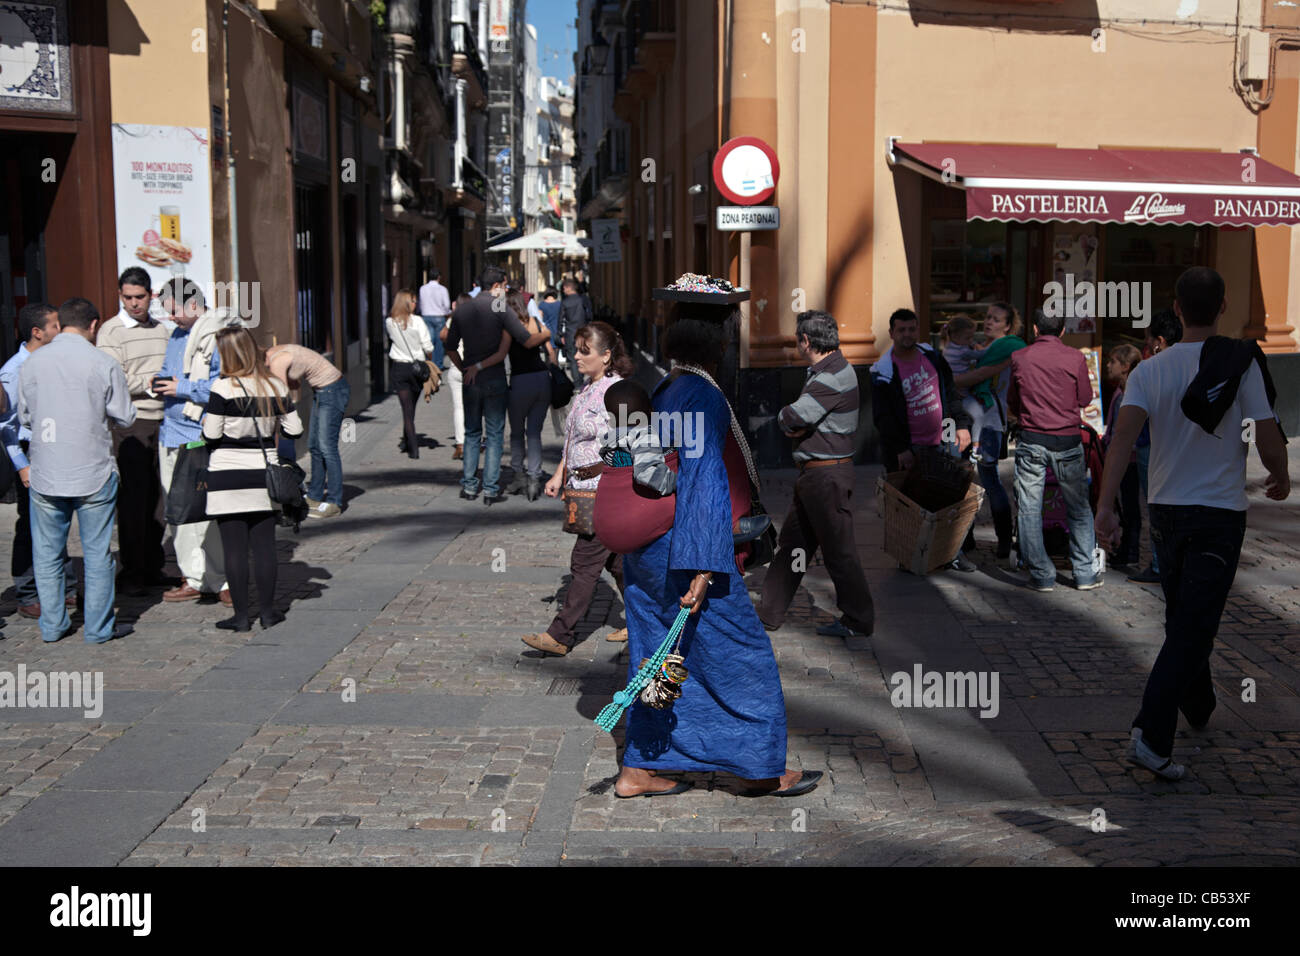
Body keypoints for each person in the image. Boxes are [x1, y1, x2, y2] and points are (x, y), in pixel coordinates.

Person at [614, 295, 820, 798]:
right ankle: (761, 768)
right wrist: (706, 569)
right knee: (743, 654)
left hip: (650, 552)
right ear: (720, 342)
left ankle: (639, 767)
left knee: (658, 656)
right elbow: (703, 480)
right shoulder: (702, 394)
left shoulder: (666, 387)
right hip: (689, 550)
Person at [1096, 267, 1290, 780]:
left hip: (1165, 509)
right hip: (1218, 513)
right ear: (1222, 306)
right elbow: (1266, 432)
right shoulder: (1240, 363)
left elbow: (1121, 441)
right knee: (1193, 626)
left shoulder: (1148, 370)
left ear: (1177, 309)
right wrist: (1280, 474)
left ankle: (1198, 704)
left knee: (1185, 617)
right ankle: (1150, 734)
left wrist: (1105, 505)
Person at [18, 298, 135, 643]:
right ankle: (98, 629)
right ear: (94, 325)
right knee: (97, 554)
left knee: (47, 554)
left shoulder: (33, 362)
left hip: (46, 468)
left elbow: (25, 417)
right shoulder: (103, 362)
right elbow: (126, 416)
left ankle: (53, 626)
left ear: (61, 323)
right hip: (92, 468)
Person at [759, 309, 873, 639]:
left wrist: (787, 420)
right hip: (816, 476)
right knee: (794, 545)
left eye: (798, 339)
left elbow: (792, 417)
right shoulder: (828, 370)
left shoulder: (831, 375)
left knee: (839, 551)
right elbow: (800, 420)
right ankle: (769, 613)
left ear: (806, 340)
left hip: (826, 477)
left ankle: (858, 620)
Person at [520, 322, 630, 656]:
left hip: (603, 490)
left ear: (606, 356)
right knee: (617, 564)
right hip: (581, 487)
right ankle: (644, 620)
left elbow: (630, 443)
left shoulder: (617, 392)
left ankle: (560, 634)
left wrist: (618, 485)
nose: (577, 356)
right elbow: (573, 440)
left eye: (585, 351)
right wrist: (559, 474)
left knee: (584, 562)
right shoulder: (586, 388)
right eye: (576, 350)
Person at [203, 328, 304, 632]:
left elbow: (211, 434)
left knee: (234, 550)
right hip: (264, 473)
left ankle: (241, 617)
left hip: (227, 474)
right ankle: (269, 613)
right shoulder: (274, 386)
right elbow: (295, 429)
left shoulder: (222, 388)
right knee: (264, 548)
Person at [869, 308, 974, 571]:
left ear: (918, 330)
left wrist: (961, 425)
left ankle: (952, 554)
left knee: (951, 500)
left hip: (943, 440)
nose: (907, 334)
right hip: (910, 448)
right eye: (901, 330)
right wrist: (900, 449)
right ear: (891, 333)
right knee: (910, 507)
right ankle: (910, 557)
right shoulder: (883, 371)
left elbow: (951, 394)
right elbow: (883, 417)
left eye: (911, 329)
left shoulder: (933, 358)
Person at [1007, 308, 1098, 592]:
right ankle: (1084, 572)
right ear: (1063, 331)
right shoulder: (1074, 357)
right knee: (1078, 508)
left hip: (1032, 439)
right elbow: (1085, 398)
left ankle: (1042, 574)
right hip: (1067, 440)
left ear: (1035, 329)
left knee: (1029, 510)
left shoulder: (1020, 357)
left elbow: (1013, 400)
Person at [445, 267, 550, 504]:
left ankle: (469, 486)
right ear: (496, 286)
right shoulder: (500, 307)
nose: (505, 290)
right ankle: (491, 490)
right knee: (494, 435)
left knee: (472, 433)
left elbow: (449, 346)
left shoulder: (462, 309)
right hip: (494, 378)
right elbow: (526, 340)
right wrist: (545, 335)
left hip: (471, 380)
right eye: (504, 286)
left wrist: (464, 368)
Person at [156, 278, 230, 605]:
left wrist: (181, 388)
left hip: (200, 434)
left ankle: (221, 578)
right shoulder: (176, 336)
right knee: (180, 511)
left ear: (194, 305)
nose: (170, 318)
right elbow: (168, 371)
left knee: (208, 509)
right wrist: (160, 383)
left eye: (174, 311)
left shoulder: (218, 336)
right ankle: (193, 577)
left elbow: (223, 384)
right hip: (171, 433)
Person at [1, 303, 77, 619]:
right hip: (29, 452)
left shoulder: (53, 361)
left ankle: (64, 586)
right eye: (55, 326)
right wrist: (22, 465)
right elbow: (6, 425)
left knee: (57, 517)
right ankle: (28, 592)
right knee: (30, 525)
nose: (61, 331)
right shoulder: (14, 370)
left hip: (53, 447)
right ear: (37, 332)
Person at [97, 267, 171, 591]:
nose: (133, 303)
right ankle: (132, 571)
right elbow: (114, 380)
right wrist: (152, 383)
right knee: (133, 500)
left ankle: (152, 566)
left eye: (139, 297)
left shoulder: (162, 329)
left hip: (165, 420)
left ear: (150, 296)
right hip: (132, 423)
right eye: (127, 297)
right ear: (120, 296)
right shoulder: (111, 331)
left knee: (158, 499)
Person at [952, 302, 1027, 558]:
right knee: (966, 478)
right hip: (971, 421)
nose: (988, 322)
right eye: (987, 317)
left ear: (1007, 326)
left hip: (988, 422)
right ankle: (968, 538)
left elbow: (972, 378)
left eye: (995, 319)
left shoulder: (1007, 347)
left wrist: (944, 381)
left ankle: (1000, 539)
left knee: (987, 479)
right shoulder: (985, 348)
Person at [1128, 309, 1183, 584]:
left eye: (1148, 339)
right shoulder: (1192, 365)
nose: (1147, 344)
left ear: (1160, 340)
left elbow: (1131, 423)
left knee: (1157, 507)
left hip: (1153, 445)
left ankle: (1161, 564)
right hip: (1180, 446)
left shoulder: (1150, 370)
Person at [266, 343, 348, 518]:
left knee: (327, 448)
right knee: (314, 446)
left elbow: (282, 397)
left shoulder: (276, 361)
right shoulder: (277, 351)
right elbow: (294, 384)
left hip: (332, 390)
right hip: (322, 391)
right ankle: (314, 496)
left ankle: (335, 502)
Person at [504, 291, 555, 500]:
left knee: (517, 432)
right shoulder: (535, 322)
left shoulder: (508, 326)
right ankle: (534, 478)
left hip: (520, 380)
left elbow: (502, 352)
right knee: (534, 433)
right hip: (542, 378)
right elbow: (551, 351)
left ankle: (518, 475)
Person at [1102, 344, 1143, 567]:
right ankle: (1127, 548)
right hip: (1125, 457)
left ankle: (1130, 551)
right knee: (1126, 504)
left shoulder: (1130, 394)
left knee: (1129, 506)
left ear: (1125, 366)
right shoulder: (1120, 391)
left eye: (1113, 362)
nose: (1108, 365)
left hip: (1130, 459)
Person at [385, 288, 434, 460]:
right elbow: (428, 346)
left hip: (399, 368)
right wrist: (429, 357)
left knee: (406, 408)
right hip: (416, 369)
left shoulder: (390, 322)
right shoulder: (418, 321)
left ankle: (408, 442)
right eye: (413, 301)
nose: (416, 304)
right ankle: (414, 448)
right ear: (406, 303)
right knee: (410, 408)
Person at [940, 315, 987, 458]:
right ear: (955, 336)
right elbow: (982, 354)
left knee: (952, 429)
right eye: (968, 338)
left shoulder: (947, 348)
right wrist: (995, 345)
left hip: (950, 397)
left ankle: (953, 457)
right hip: (961, 394)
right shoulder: (962, 351)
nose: (971, 341)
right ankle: (976, 445)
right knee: (979, 415)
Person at [442, 294, 472, 460]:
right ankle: (473, 441)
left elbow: (442, 336)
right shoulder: (477, 320)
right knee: (474, 407)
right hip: (473, 368)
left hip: (456, 368)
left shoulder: (453, 320)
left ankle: (460, 444)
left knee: (459, 408)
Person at [418, 268, 452, 371]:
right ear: (439, 277)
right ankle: (438, 365)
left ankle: (429, 364)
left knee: (428, 340)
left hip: (426, 316)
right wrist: (447, 312)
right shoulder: (442, 289)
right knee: (439, 342)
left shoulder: (422, 289)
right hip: (439, 316)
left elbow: (421, 303)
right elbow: (446, 305)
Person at [559, 278, 589, 388]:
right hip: (583, 333)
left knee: (572, 359)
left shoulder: (565, 302)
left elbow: (560, 320)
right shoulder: (583, 300)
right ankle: (581, 380)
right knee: (583, 356)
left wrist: (560, 334)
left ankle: (577, 383)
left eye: (564, 288)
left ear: (568, 288)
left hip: (570, 333)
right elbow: (589, 315)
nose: (563, 291)